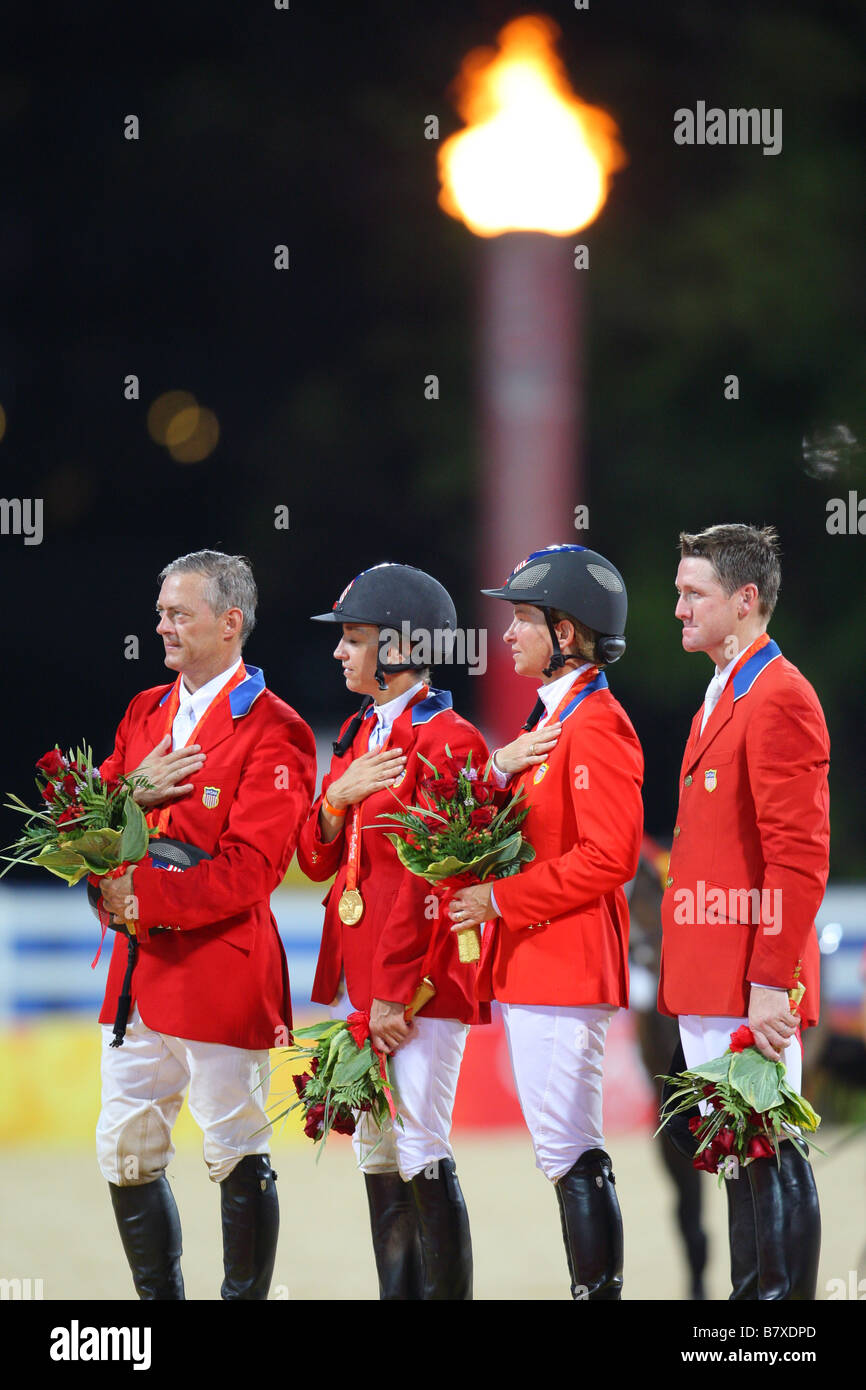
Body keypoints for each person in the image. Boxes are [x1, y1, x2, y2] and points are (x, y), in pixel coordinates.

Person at [97, 550, 316, 1300]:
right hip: (134, 974)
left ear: (229, 623)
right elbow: (88, 828)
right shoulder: (142, 713)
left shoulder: (277, 730)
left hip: (218, 968)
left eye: (178, 613)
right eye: (161, 613)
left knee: (233, 1148)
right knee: (124, 1149)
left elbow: (252, 869)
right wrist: (111, 875)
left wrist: (142, 899)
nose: (162, 626)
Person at [449, 544, 644, 1300]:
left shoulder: (595, 724)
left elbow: (610, 857)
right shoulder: (548, 724)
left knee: (569, 1149)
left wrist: (500, 900)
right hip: (538, 964)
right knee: (560, 1149)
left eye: (524, 619)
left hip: (564, 962)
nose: (508, 633)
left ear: (567, 632)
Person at [296, 562, 489, 1301]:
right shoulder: (356, 733)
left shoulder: (451, 740)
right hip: (364, 977)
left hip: (419, 986)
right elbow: (315, 860)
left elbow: (425, 880)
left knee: (420, 1147)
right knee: (377, 1156)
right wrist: (333, 798)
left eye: (354, 639)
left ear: (402, 647)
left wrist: (395, 992)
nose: (340, 653)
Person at [658, 523, 829, 1300]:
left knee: (769, 1155)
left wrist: (769, 983)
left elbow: (799, 857)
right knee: (738, 1157)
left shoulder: (780, 694)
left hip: (748, 985)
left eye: (694, 594)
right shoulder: (722, 691)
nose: (679, 609)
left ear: (746, 600)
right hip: (709, 978)